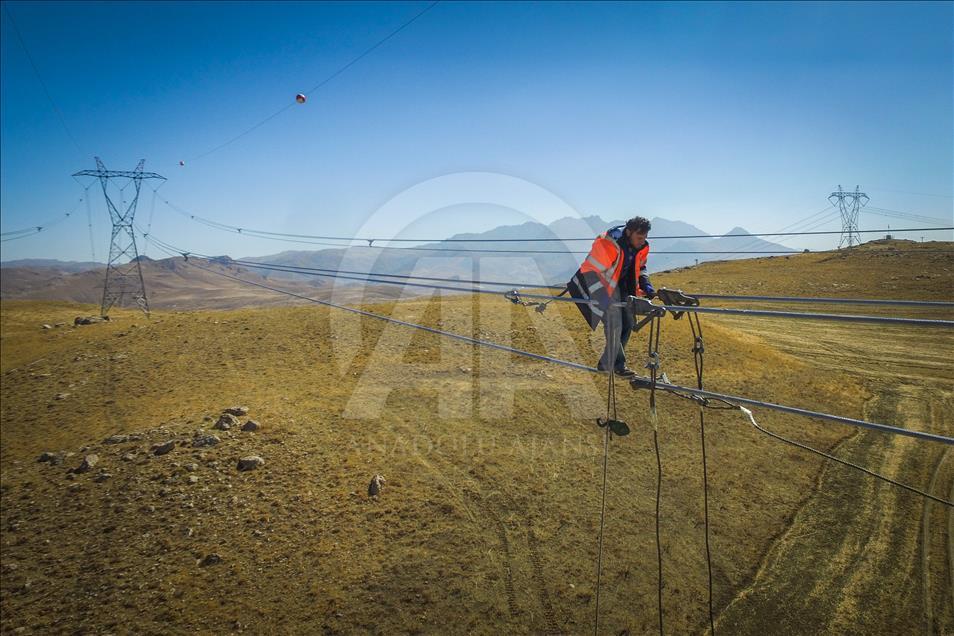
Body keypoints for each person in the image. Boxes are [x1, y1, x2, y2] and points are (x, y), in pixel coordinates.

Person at [566, 216, 655, 376]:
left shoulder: (641, 247)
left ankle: (607, 363)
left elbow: (641, 267)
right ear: (628, 232)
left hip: (621, 288)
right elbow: (589, 271)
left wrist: (646, 285)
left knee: (628, 323)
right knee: (614, 324)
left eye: (644, 238)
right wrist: (602, 297)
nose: (642, 241)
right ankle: (618, 365)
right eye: (639, 238)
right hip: (599, 285)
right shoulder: (608, 244)